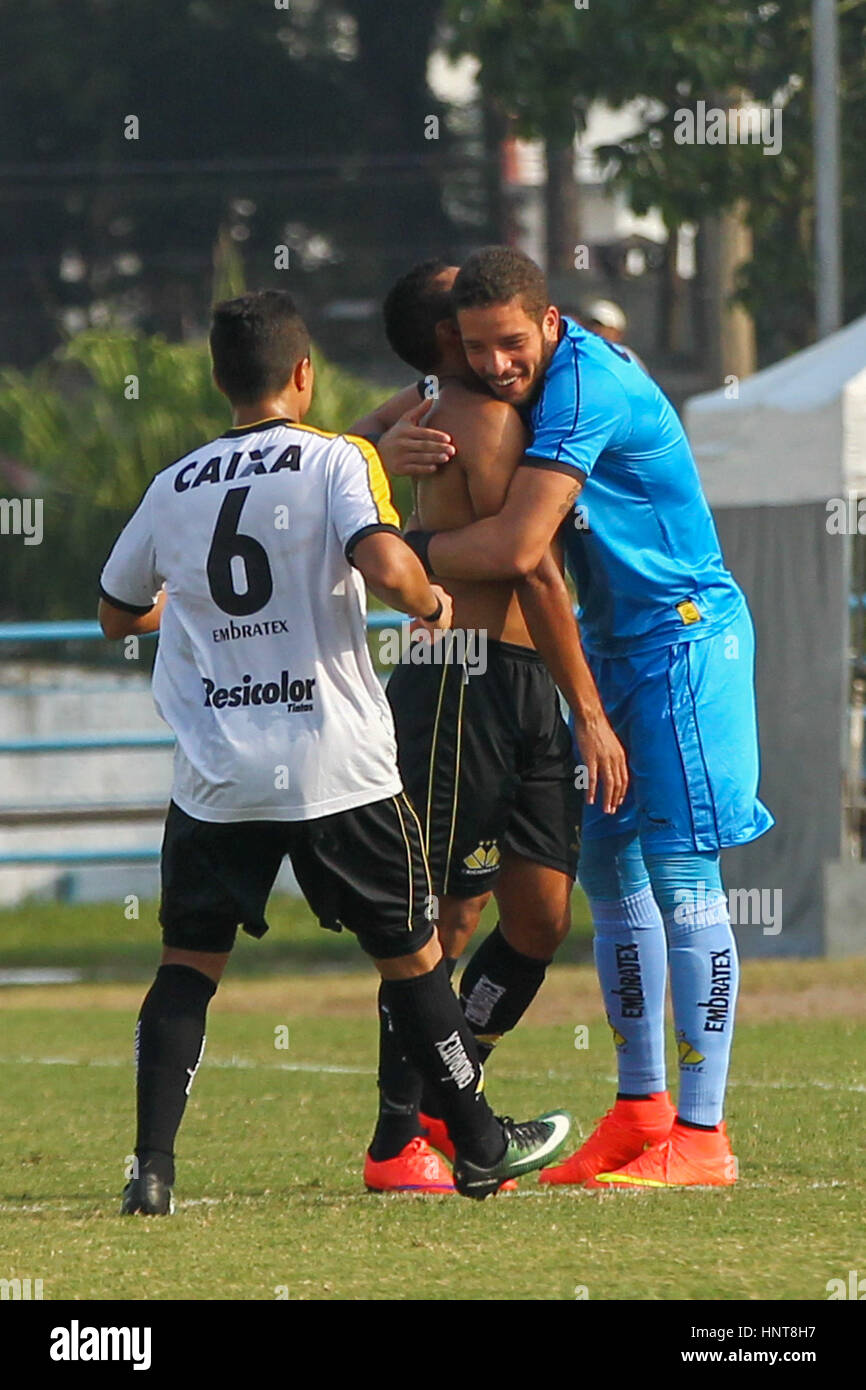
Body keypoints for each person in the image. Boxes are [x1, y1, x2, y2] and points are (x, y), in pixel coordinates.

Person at [97, 288, 571, 1211]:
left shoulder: (175, 483)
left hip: (221, 775)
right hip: (334, 762)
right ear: (304, 376)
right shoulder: (335, 459)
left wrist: (179, 603)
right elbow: (387, 564)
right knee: (410, 956)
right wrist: (432, 604)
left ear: (219, 378)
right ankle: (477, 1143)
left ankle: (151, 1167)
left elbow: (119, 611)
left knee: (186, 967)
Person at [398, 247, 774, 1189]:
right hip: (612, 650)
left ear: (549, 319)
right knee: (611, 878)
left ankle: (704, 1135)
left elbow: (524, 545)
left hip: (684, 640)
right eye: (477, 348)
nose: (493, 365)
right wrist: (388, 441)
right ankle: (641, 1112)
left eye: (510, 343)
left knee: (685, 870)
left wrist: (400, 550)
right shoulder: (533, 379)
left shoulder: (583, 388)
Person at [347, 261, 627, 1193]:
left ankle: (449, 1091)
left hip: (516, 686)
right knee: (440, 916)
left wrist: (380, 452)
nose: (498, 346)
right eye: (474, 326)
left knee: (540, 920)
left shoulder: (439, 399)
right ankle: (398, 1142)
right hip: (459, 682)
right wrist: (590, 712)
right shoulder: (480, 415)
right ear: (448, 344)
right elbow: (533, 570)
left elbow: (346, 440)